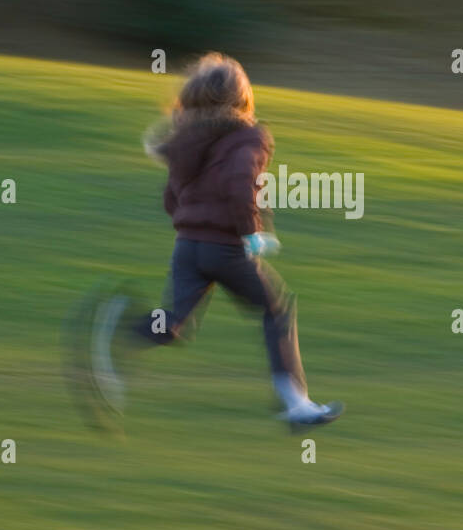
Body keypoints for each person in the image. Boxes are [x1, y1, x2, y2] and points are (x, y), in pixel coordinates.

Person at [87, 52, 342, 433]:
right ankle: (296, 406)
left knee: (173, 325)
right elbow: (239, 183)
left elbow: (171, 198)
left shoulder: (183, 142)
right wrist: (251, 232)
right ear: (243, 100)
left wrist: (192, 222)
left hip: (188, 247)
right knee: (276, 310)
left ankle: (121, 324)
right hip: (225, 249)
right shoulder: (250, 137)